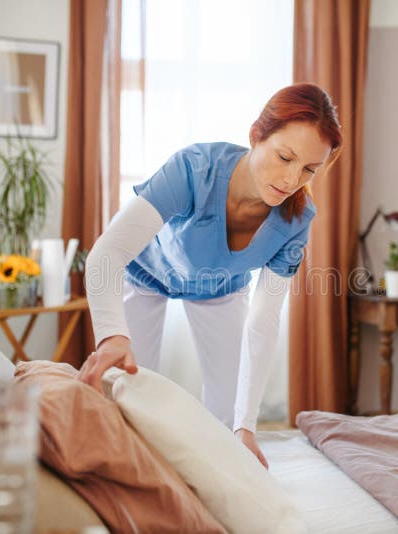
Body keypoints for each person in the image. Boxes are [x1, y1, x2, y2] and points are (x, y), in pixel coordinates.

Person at [78, 82, 342, 468]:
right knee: (130, 393)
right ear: (256, 135)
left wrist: (245, 427)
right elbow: (106, 253)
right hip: (146, 273)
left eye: (308, 170)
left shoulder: (296, 221)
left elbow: (263, 322)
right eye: (284, 157)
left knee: (228, 417)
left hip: (220, 288)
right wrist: (111, 336)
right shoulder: (194, 170)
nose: (290, 180)